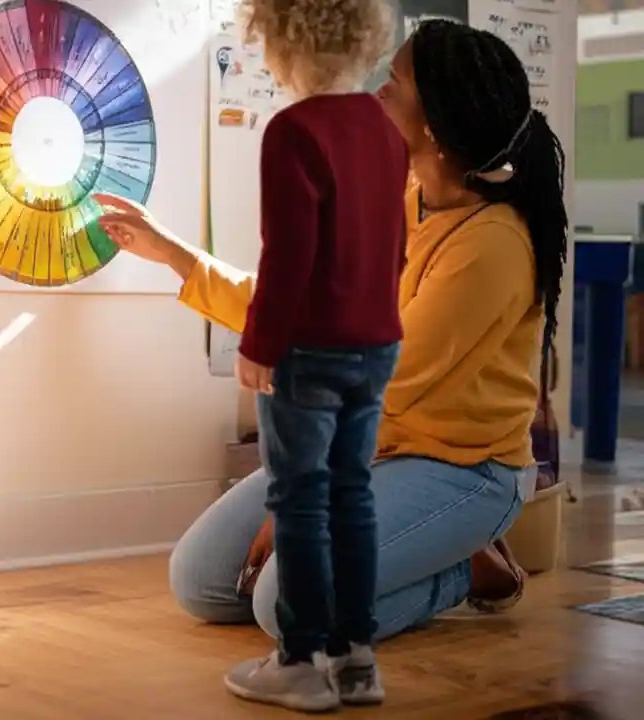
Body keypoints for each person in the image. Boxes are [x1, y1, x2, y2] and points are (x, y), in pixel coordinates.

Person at [97, 14, 567, 711]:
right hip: (375, 447)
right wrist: (176, 256)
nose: (378, 92)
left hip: (465, 468)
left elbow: (388, 381)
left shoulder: (492, 246)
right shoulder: (401, 198)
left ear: (434, 124)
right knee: (199, 580)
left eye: (396, 83)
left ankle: (466, 571)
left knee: (281, 604)